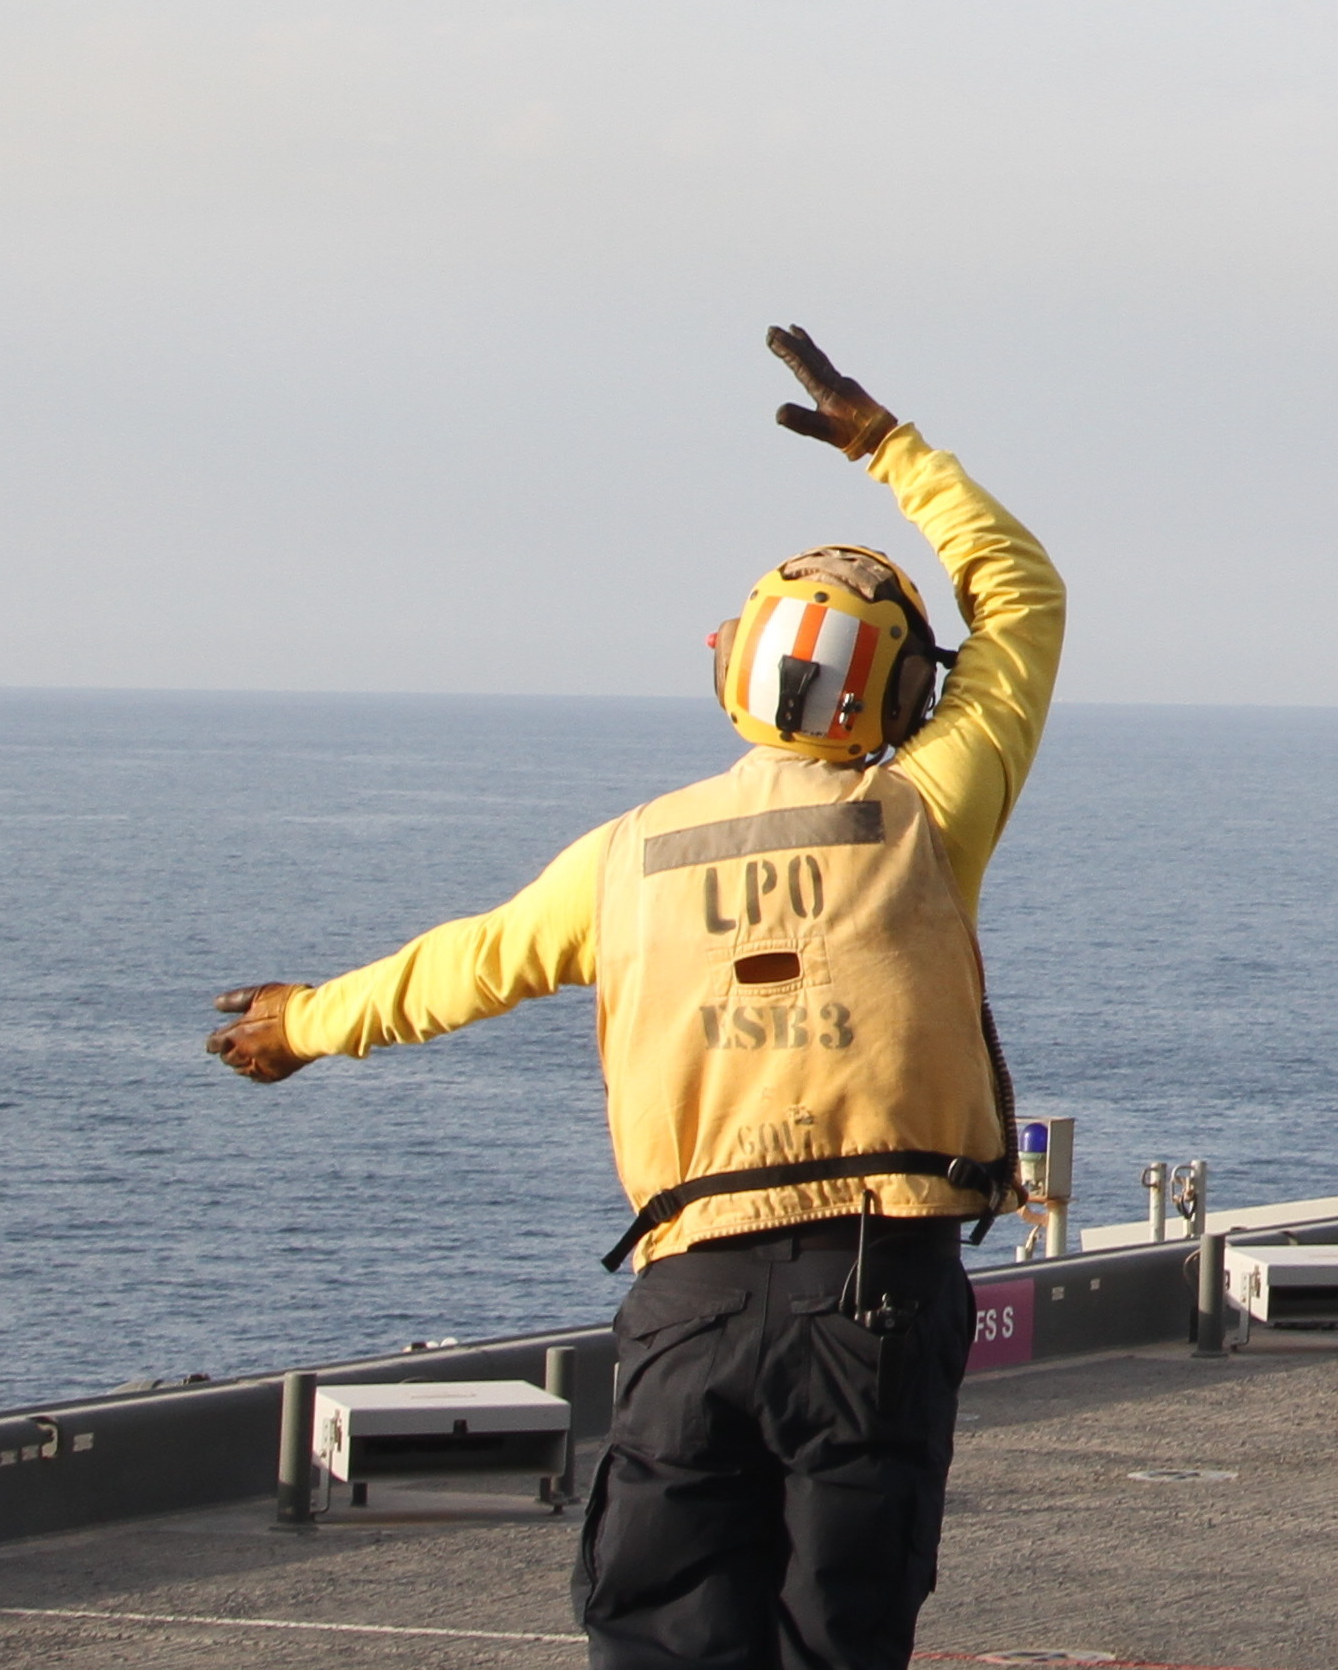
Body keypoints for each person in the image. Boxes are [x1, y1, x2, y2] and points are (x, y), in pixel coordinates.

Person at [205, 328, 1063, 1670]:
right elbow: (1022, 595)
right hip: (875, 1291)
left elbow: (466, 964)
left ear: (734, 670)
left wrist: (303, 1022)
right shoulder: (926, 813)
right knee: (840, 1633)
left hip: (691, 1300)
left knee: (659, 1635)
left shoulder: (633, 859)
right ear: (901, 696)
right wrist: (889, 446)